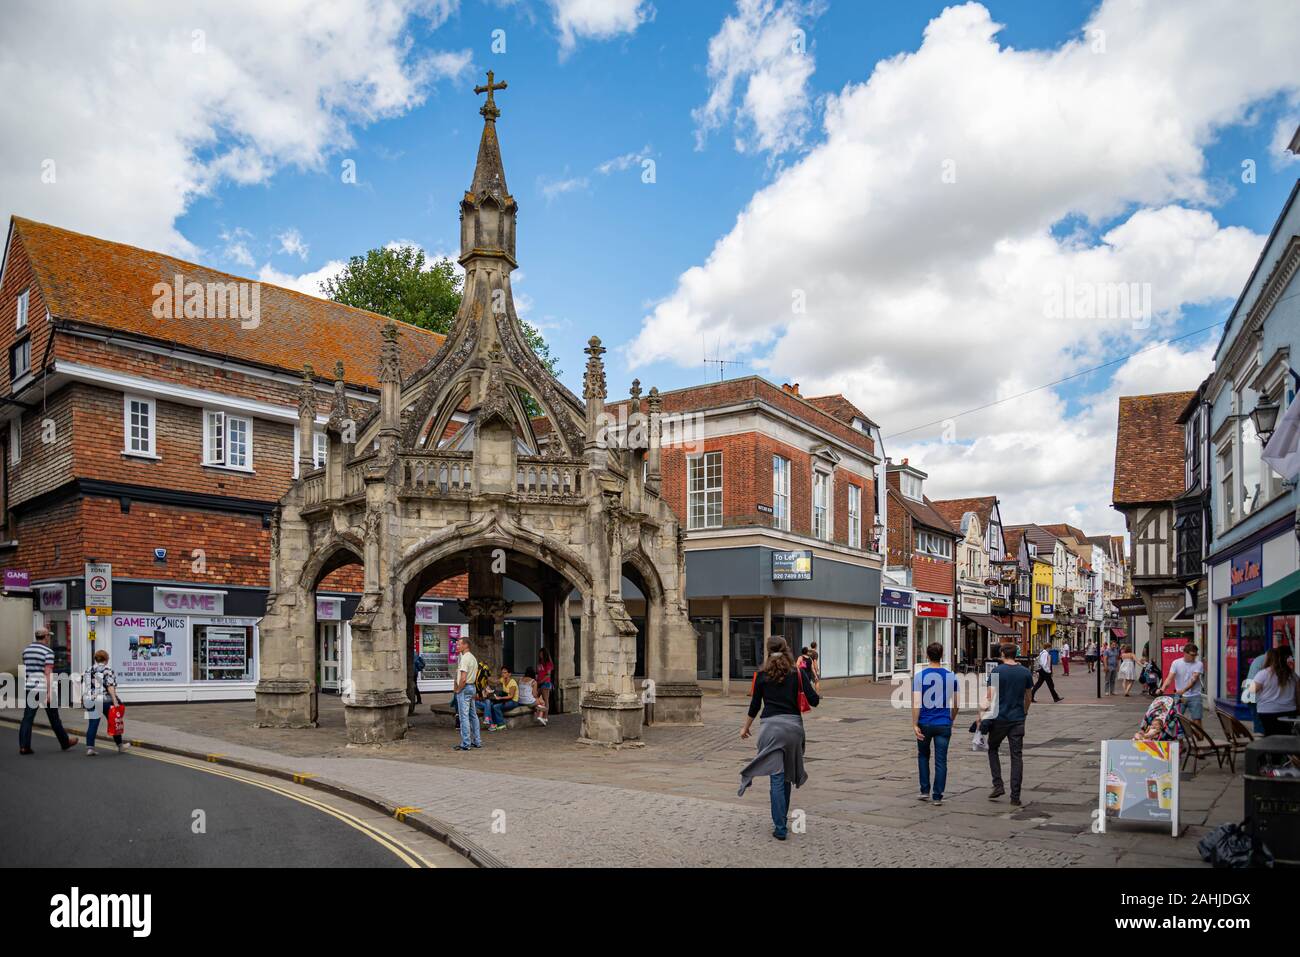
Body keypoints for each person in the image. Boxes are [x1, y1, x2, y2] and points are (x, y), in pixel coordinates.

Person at [739, 637, 820, 840]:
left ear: (767, 650)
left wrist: (745, 728)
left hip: (770, 729)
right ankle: (782, 820)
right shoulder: (798, 673)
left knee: (776, 776)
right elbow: (814, 701)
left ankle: (780, 827)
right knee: (786, 777)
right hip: (793, 729)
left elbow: (755, 706)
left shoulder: (761, 675)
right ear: (787, 650)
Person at [911, 642, 959, 806]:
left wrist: (914, 724)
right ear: (942, 655)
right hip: (943, 723)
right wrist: (951, 718)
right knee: (941, 760)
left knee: (923, 756)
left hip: (924, 721)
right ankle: (937, 796)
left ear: (927, 655)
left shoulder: (919, 676)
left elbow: (917, 703)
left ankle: (925, 790)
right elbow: (956, 703)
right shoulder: (951, 676)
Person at [18, 627, 78, 755]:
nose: (49, 638)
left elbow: (27, 667)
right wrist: (50, 692)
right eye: (48, 636)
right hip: (44, 688)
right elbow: (48, 673)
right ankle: (65, 742)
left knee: (27, 718)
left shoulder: (26, 651)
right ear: (45, 636)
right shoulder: (48, 652)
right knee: (54, 718)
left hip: (30, 687)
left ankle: (24, 746)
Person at [987, 643, 1033, 806]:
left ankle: (998, 785)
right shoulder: (1025, 672)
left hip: (999, 718)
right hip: (1018, 718)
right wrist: (1025, 712)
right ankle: (1015, 795)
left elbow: (989, 697)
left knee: (992, 748)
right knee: (1016, 756)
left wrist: (982, 715)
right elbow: (1028, 696)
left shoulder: (997, 671)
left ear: (1002, 654)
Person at [83, 649, 128, 755]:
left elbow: (85, 685)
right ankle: (120, 746)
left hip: (91, 700)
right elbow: (110, 686)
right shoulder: (107, 670)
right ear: (106, 660)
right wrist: (115, 700)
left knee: (92, 724)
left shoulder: (88, 670)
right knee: (114, 722)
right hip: (105, 700)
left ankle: (90, 748)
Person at [1249, 647, 1300, 736]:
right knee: (1285, 734)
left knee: (1270, 734)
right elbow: (1298, 696)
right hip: (1289, 712)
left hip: (1267, 712)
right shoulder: (1293, 675)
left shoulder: (1263, 673)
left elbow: (1252, 690)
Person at [1160, 642, 1205, 725]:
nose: (1194, 657)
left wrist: (1183, 690)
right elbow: (1169, 678)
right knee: (1175, 719)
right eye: (1192, 655)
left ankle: (1199, 737)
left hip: (1195, 695)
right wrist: (1162, 689)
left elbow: (1193, 680)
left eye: (1195, 655)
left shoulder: (1199, 664)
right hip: (1180, 696)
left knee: (1197, 719)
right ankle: (1178, 737)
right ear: (1185, 653)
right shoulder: (1176, 663)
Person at [451, 637, 482, 752]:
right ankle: (477, 741)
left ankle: (466, 743)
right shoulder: (473, 658)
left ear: (466, 645)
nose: (457, 646)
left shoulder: (464, 659)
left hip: (465, 688)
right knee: (473, 715)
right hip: (472, 687)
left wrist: (458, 690)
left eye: (459, 644)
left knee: (464, 717)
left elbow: (463, 678)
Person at [484, 667, 526, 731]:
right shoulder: (503, 679)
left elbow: (511, 696)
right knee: (492, 705)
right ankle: (495, 724)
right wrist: (486, 676)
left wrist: (500, 698)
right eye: (502, 672)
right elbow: (495, 682)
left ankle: (502, 724)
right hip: (506, 700)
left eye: (505, 672)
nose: (503, 674)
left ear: (509, 674)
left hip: (513, 702)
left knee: (496, 706)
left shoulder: (512, 683)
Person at [536, 647, 555, 720]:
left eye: (542, 654)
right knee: (537, 698)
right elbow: (538, 673)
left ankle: (545, 717)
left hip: (546, 683)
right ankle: (540, 715)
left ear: (545, 654)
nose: (540, 655)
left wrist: (541, 681)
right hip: (539, 683)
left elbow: (548, 674)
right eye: (539, 654)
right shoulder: (539, 663)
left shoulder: (548, 663)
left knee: (546, 700)